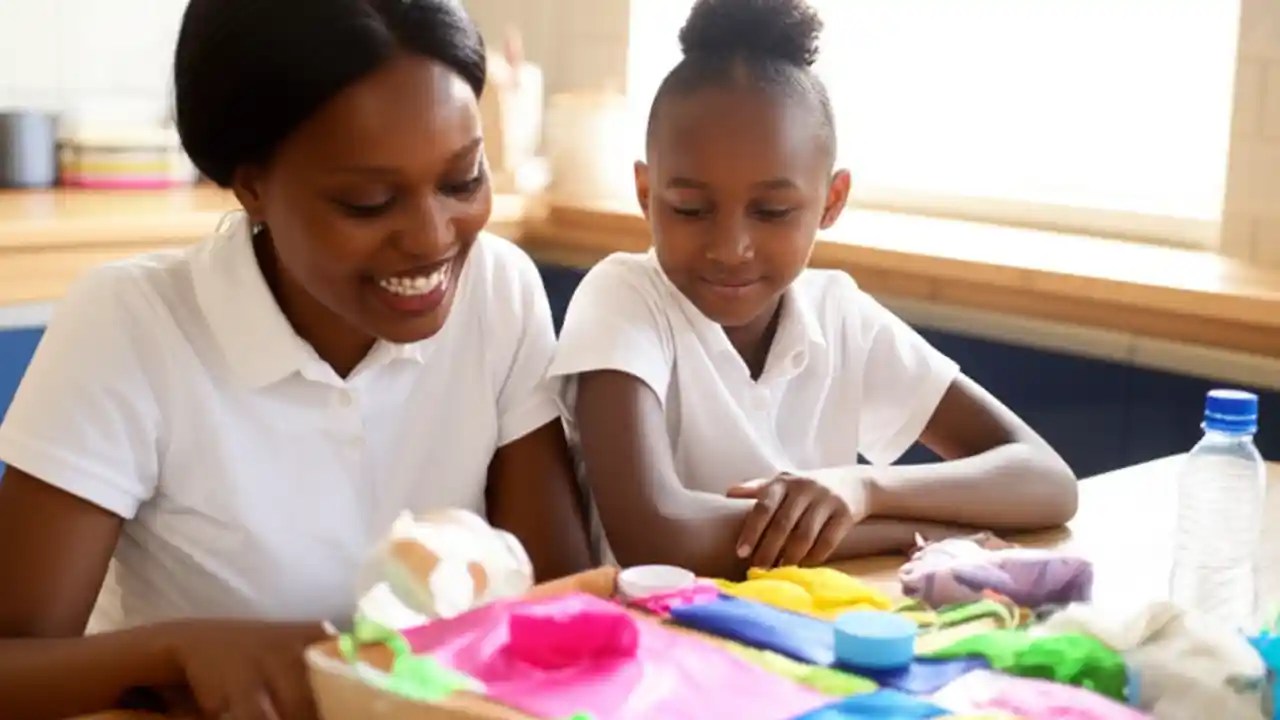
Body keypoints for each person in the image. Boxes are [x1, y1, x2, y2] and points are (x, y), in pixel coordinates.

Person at [0, 1, 591, 717]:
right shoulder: (134, 324)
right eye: (369, 202)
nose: (433, 237)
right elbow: (15, 662)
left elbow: (560, 604)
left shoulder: (498, 290)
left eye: (462, 180)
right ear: (252, 186)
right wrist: (177, 649)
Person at [548, 0, 1078, 581]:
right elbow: (660, 534)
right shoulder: (623, 299)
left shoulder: (839, 315)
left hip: (798, 638)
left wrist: (863, 486)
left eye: (772, 211)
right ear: (646, 193)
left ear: (831, 201)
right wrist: (920, 532)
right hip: (652, 650)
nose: (731, 246)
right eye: (690, 208)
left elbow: (1046, 481)